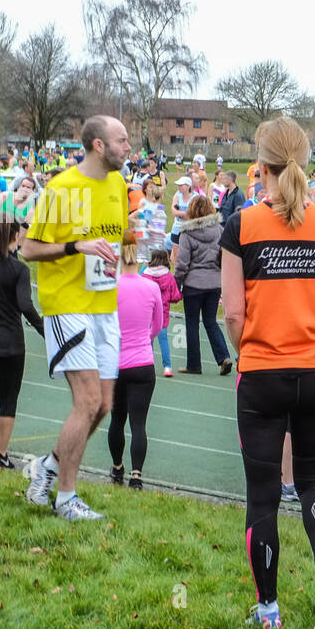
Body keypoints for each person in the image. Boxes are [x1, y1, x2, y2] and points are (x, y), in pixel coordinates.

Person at [220, 115, 315, 629]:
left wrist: (253, 348)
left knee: (263, 495)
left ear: (263, 163)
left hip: (263, 372)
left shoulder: (243, 224)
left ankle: (270, 609)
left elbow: (233, 313)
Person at [21, 115, 129, 522]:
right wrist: (75, 246)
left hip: (105, 306)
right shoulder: (61, 188)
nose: (129, 147)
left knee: (103, 406)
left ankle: (48, 466)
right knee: (85, 402)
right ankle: (66, 499)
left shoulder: (118, 184)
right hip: (67, 305)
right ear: (99, 145)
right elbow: (28, 249)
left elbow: (116, 239)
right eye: (122, 140)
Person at [108, 230, 163, 490]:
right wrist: (143, 338)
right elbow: (158, 325)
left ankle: (118, 467)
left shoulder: (110, 286)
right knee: (139, 422)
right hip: (142, 362)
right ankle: (137, 474)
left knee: (117, 420)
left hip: (116, 364)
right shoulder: (151, 287)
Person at [173, 194, 233, 376]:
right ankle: (224, 356)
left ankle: (194, 364)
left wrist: (177, 282)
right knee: (210, 321)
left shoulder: (187, 233)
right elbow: (224, 255)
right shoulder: (219, 230)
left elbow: (182, 263)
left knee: (192, 323)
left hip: (194, 284)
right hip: (215, 283)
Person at [141, 248, 181, 377]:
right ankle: (167, 367)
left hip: (148, 313)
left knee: (149, 340)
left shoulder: (145, 275)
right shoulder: (169, 277)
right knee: (164, 341)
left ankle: (149, 365)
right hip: (162, 313)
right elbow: (175, 296)